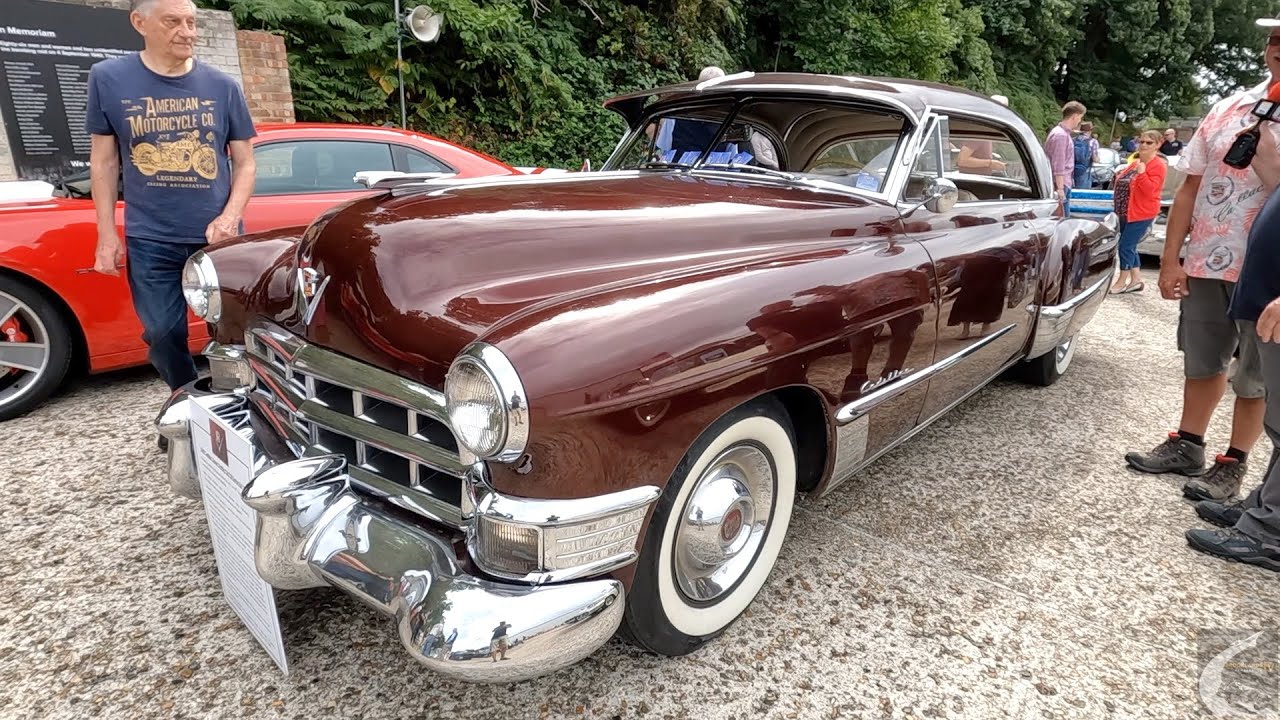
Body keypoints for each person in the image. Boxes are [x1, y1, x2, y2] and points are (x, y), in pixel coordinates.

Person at [1124, 21, 1280, 502]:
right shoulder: (1230, 107)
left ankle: (1233, 463)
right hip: (1208, 260)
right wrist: (1172, 259)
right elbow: (1190, 185)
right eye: (1275, 40)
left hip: (1267, 268)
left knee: (1253, 374)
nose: (1279, 50)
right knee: (1202, 358)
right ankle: (1188, 444)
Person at [87, 0, 256, 391]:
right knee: (162, 334)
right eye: (173, 22)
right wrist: (106, 234)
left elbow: (245, 162)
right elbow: (104, 162)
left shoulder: (222, 86)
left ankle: (234, 404)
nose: (187, 31)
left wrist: (230, 216)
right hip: (151, 237)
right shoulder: (108, 78)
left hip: (218, 236)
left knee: (233, 331)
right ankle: (185, 399)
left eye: (192, 22)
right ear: (139, 22)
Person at [1185, 119, 1280, 572]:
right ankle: (1263, 508)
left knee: (1277, 410)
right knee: (1278, 421)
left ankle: (1270, 532)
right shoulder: (1252, 109)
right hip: (1255, 283)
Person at [1109, 130, 1167, 294]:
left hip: (1142, 212)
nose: (1144, 145)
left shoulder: (1158, 166)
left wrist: (1142, 174)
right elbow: (1121, 181)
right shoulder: (1135, 163)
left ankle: (1122, 280)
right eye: (1141, 142)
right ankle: (1136, 280)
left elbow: (1151, 190)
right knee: (1130, 246)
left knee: (1125, 246)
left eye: (1149, 143)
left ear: (1157, 145)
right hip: (1125, 210)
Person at [1044, 101, 1087, 206]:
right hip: (1061, 184)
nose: (1080, 121)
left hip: (1063, 182)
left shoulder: (1061, 133)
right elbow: (1058, 164)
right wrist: (1060, 188)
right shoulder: (1061, 136)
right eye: (1080, 117)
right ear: (1075, 116)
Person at [1072, 121, 1099, 189]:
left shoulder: (1073, 140)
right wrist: (1098, 159)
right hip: (1085, 170)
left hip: (1071, 169)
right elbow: (1095, 159)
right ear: (1090, 131)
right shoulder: (1093, 141)